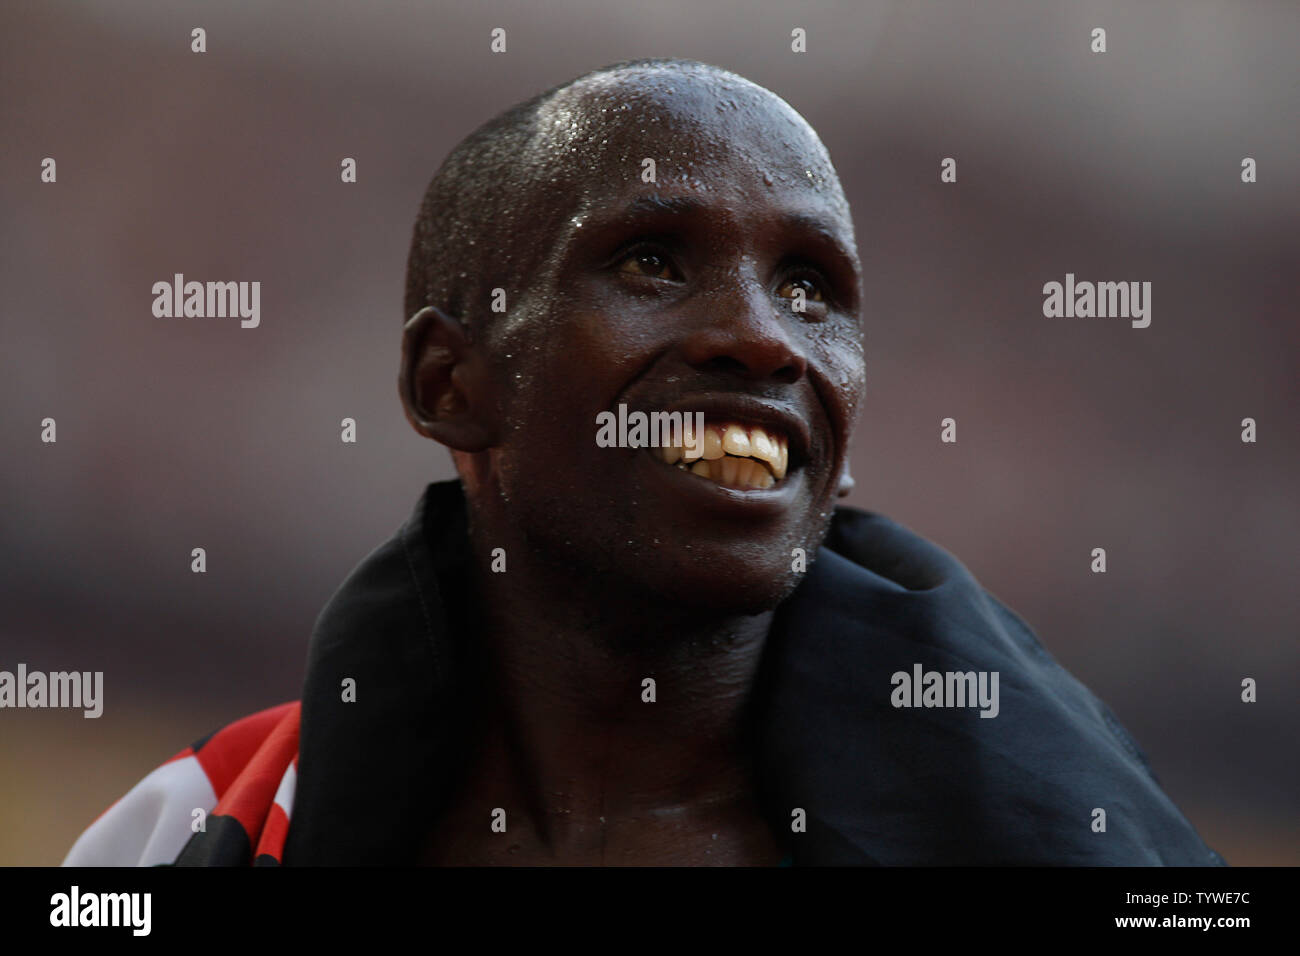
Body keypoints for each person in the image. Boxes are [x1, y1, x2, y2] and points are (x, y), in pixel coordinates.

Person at [64, 58, 1223, 866]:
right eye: (655, 263)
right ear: (447, 386)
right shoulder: (192, 828)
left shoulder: (1068, 835)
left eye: (812, 287)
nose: (764, 338)